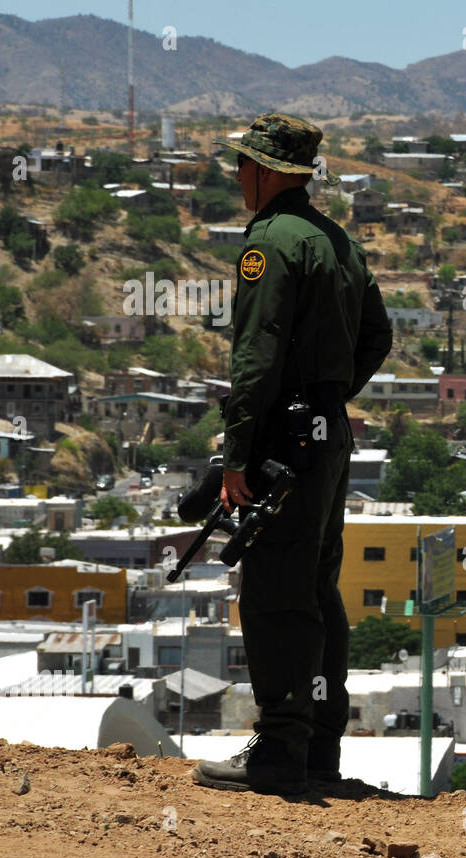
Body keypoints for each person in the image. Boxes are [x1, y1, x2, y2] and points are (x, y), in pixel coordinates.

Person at [192, 113, 392, 795]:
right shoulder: (336, 241)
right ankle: (316, 747)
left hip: (284, 440)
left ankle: (279, 748)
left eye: (243, 165)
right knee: (316, 589)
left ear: (268, 171)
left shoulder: (271, 243)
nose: (237, 177)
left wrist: (238, 454)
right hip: (330, 438)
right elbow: (378, 336)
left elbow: (255, 356)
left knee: (276, 592)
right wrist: (330, 398)